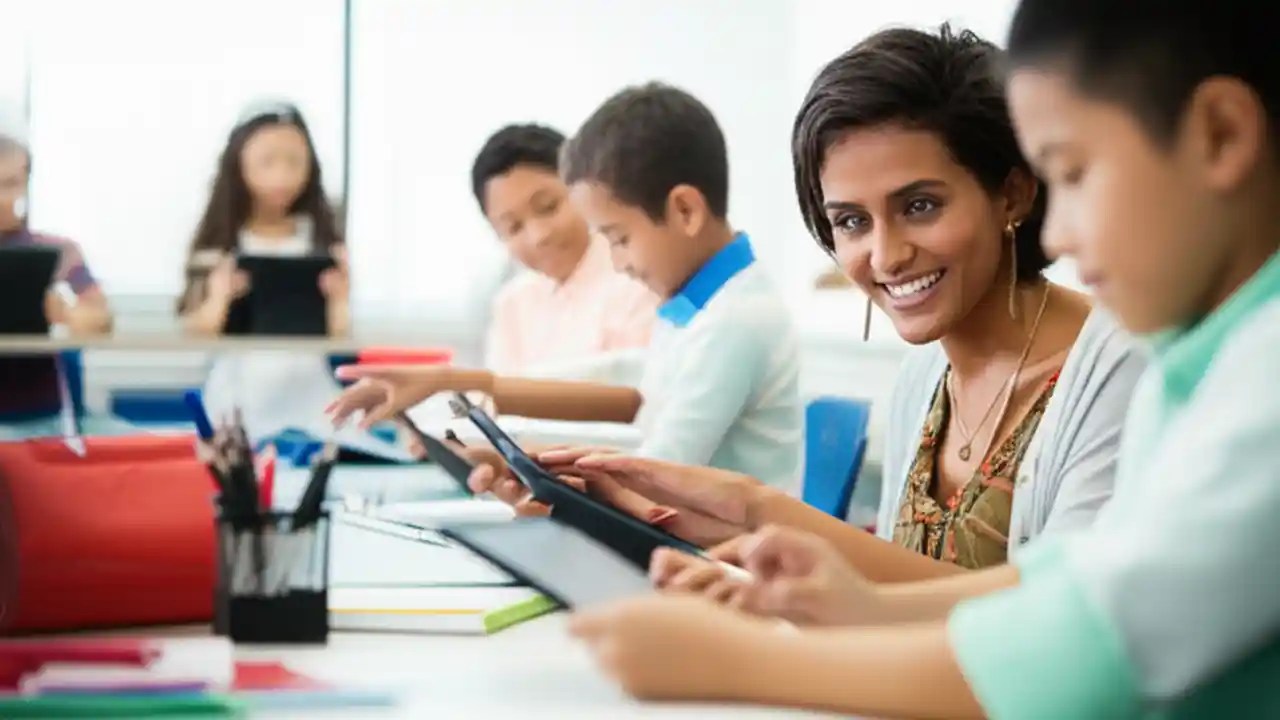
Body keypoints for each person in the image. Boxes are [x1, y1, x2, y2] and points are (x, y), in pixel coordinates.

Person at [569, 2, 1280, 716]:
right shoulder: (1189, 364)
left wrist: (740, 661)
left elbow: (1089, 643)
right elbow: (1072, 578)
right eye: (849, 221)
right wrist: (821, 574)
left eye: (1075, 173)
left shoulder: (1233, 373)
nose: (1057, 234)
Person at [470, 25, 1144, 576]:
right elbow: (895, 579)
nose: (884, 255)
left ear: (1013, 193)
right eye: (850, 221)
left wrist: (752, 508)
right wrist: (613, 502)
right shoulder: (923, 381)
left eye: (919, 205)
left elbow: (1051, 623)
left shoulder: (1112, 368)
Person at [329, 84, 803, 489]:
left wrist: (507, 458)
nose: (617, 262)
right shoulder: (700, 303)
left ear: (684, 211)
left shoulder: (733, 321)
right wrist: (456, 386)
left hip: (729, 569)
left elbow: (657, 469)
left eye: (618, 239)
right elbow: (629, 385)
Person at [178, 99, 349, 439]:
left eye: (294, 162)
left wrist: (340, 298)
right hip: (239, 399)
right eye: (267, 162)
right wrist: (219, 297)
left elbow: (339, 337)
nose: (282, 176)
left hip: (311, 396)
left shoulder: (320, 239)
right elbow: (196, 330)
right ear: (239, 165)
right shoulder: (222, 240)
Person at [473, 123, 657, 379]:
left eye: (548, 207)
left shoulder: (638, 278)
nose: (539, 236)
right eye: (514, 227)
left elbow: (638, 393)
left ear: (584, 188)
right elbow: (496, 403)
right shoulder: (512, 305)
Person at [0, 107, 119, 438]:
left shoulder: (57, 251)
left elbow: (101, 320)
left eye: (10, 183)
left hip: (36, 416)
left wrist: (65, 313)